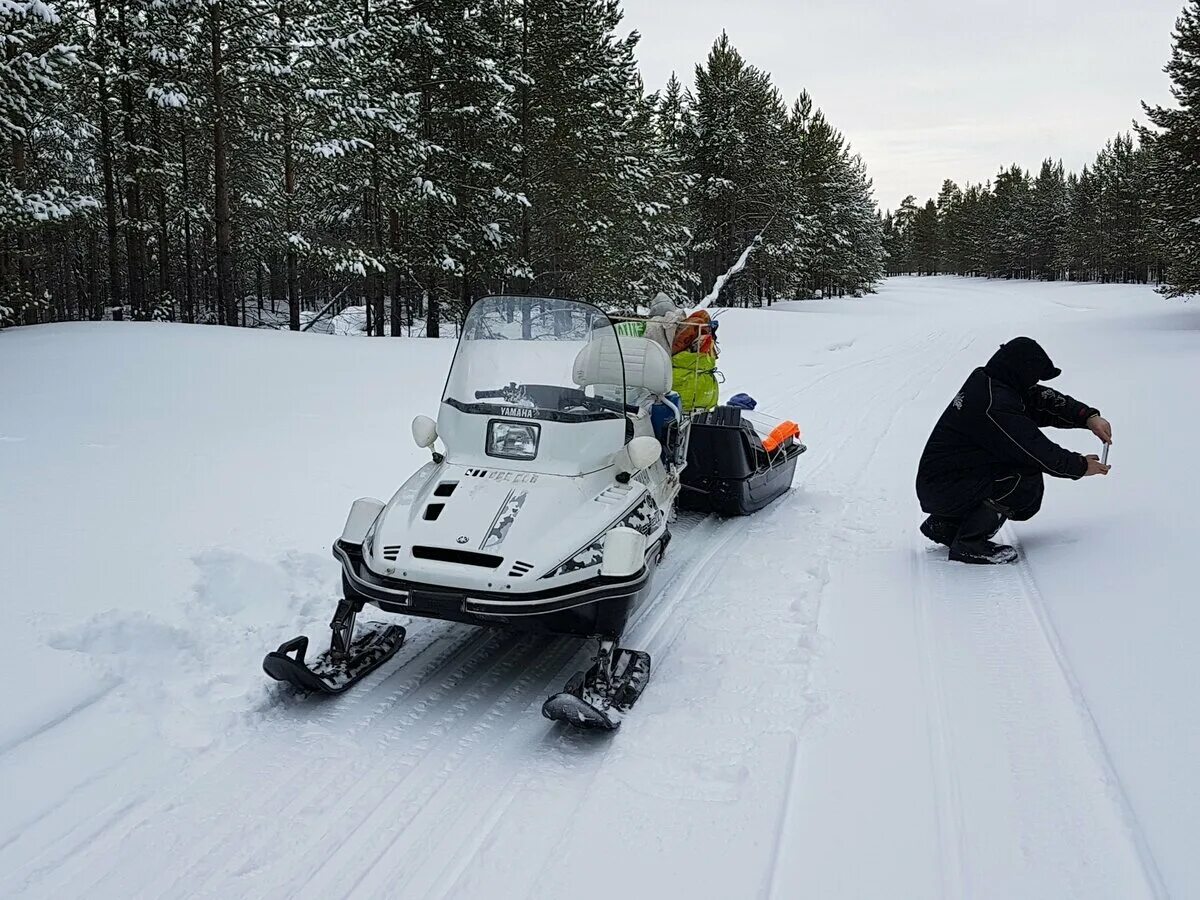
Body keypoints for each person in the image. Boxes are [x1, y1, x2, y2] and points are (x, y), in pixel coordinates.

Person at [916, 336, 1112, 565]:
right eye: (1033, 377)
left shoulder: (992, 380)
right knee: (1023, 482)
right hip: (943, 487)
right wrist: (1079, 466)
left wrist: (1087, 417)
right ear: (1020, 371)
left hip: (945, 481)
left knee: (1016, 471)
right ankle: (969, 543)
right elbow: (1035, 449)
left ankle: (945, 525)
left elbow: (1041, 401)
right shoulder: (993, 404)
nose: (1034, 383)